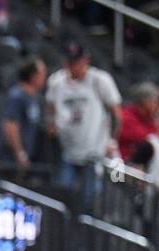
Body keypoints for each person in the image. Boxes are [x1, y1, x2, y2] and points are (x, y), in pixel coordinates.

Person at [45, 43, 121, 210]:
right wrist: (51, 124)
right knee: (64, 195)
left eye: (77, 62)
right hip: (67, 149)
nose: (73, 66)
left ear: (86, 60)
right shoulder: (56, 81)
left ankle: (87, 234)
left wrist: (112, 141)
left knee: (90, 198)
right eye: (70, 62)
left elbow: (116, 113)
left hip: (94, 151)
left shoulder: (99, 80)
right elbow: (50, 108)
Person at [0, 58, 46, 177]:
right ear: (33, 76)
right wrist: (19, 152)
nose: (44, 77)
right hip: (12, 156)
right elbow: (10, 125)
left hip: (29, 152)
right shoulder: (17, 95)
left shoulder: (35, 96)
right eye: (42, 74)